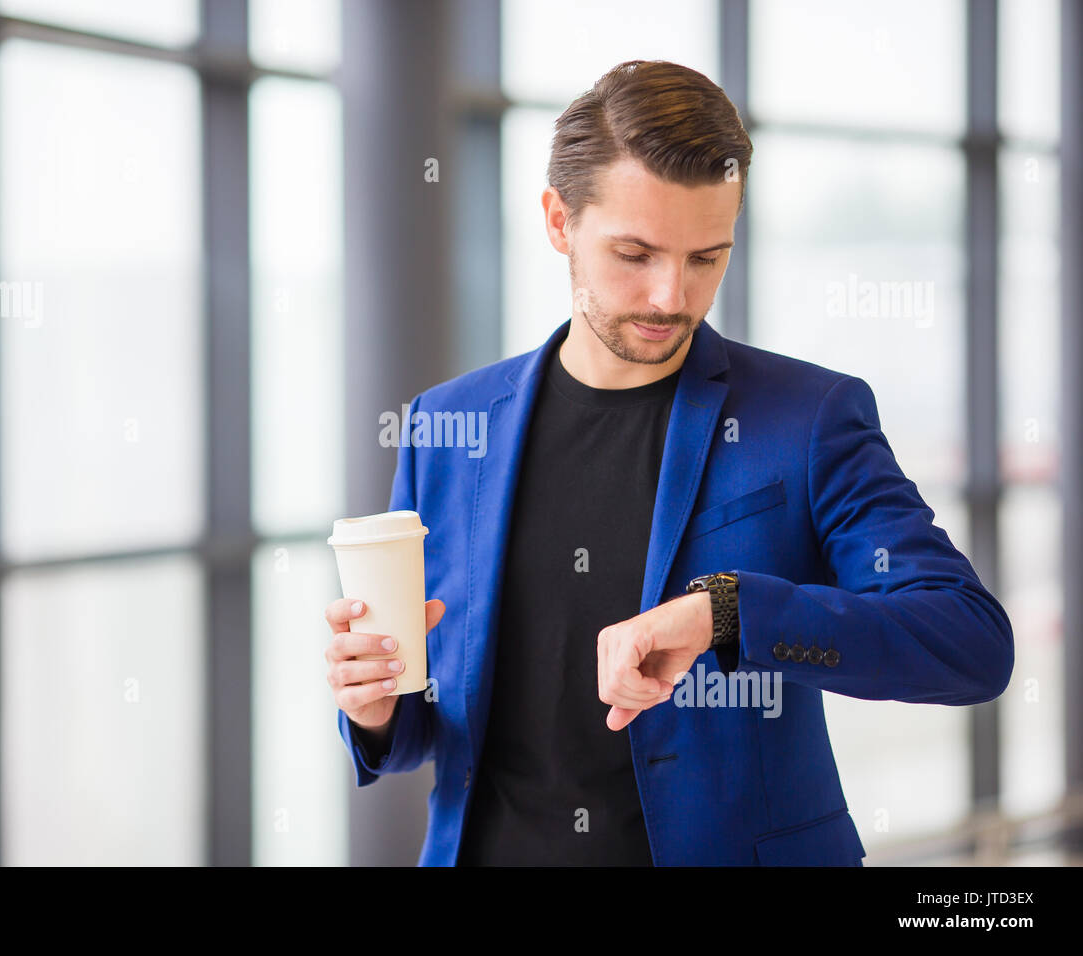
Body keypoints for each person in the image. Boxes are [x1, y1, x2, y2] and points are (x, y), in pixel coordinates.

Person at [322, 59, 1014, 866]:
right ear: (557, 221)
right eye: (635, 254)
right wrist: (374, 705)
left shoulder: (809, 419)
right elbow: (430, 730)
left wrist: (725, 614)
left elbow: (969, 644)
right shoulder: (450, 425)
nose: (669, 298)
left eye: (704, 258)